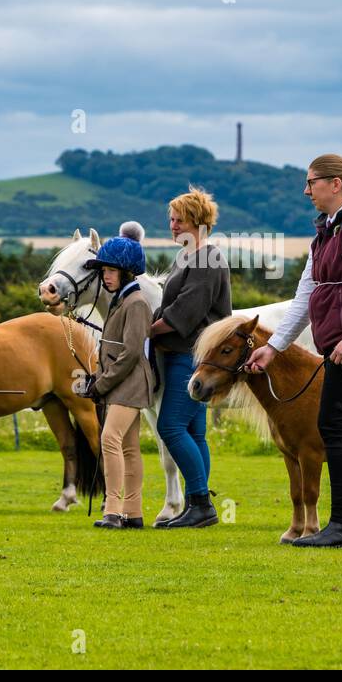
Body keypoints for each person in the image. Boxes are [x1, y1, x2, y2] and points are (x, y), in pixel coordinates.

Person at [245, 154, 342, 548]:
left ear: (336, 184)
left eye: (312, 182)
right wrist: (273, 348)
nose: (306, 190)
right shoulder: (326, 232)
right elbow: (304, 299)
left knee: (332, 425)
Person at [150, 187, 233, 528]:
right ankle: (196, 505)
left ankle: (200, 504)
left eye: (178, 219)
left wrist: (144, 330)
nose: (172, 225)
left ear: (197, 221)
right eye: (171, 219)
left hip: (191, 355)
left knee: (169, 426)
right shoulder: (189, 257)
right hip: (188, 353)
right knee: (195, 433)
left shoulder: (206, 259)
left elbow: (185, 311)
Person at [77, 233, 154, 529]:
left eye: (109, 271)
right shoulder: (122, 301)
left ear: (125, 272)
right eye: (104, 271)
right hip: (122, 382)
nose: (105, 276)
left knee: (109, 439)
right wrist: (98, 378)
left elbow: (132, 352)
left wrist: (102, 383)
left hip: (130, 384)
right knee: (129, 448)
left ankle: (112, 509)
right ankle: (133, 512)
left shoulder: (135, 303)